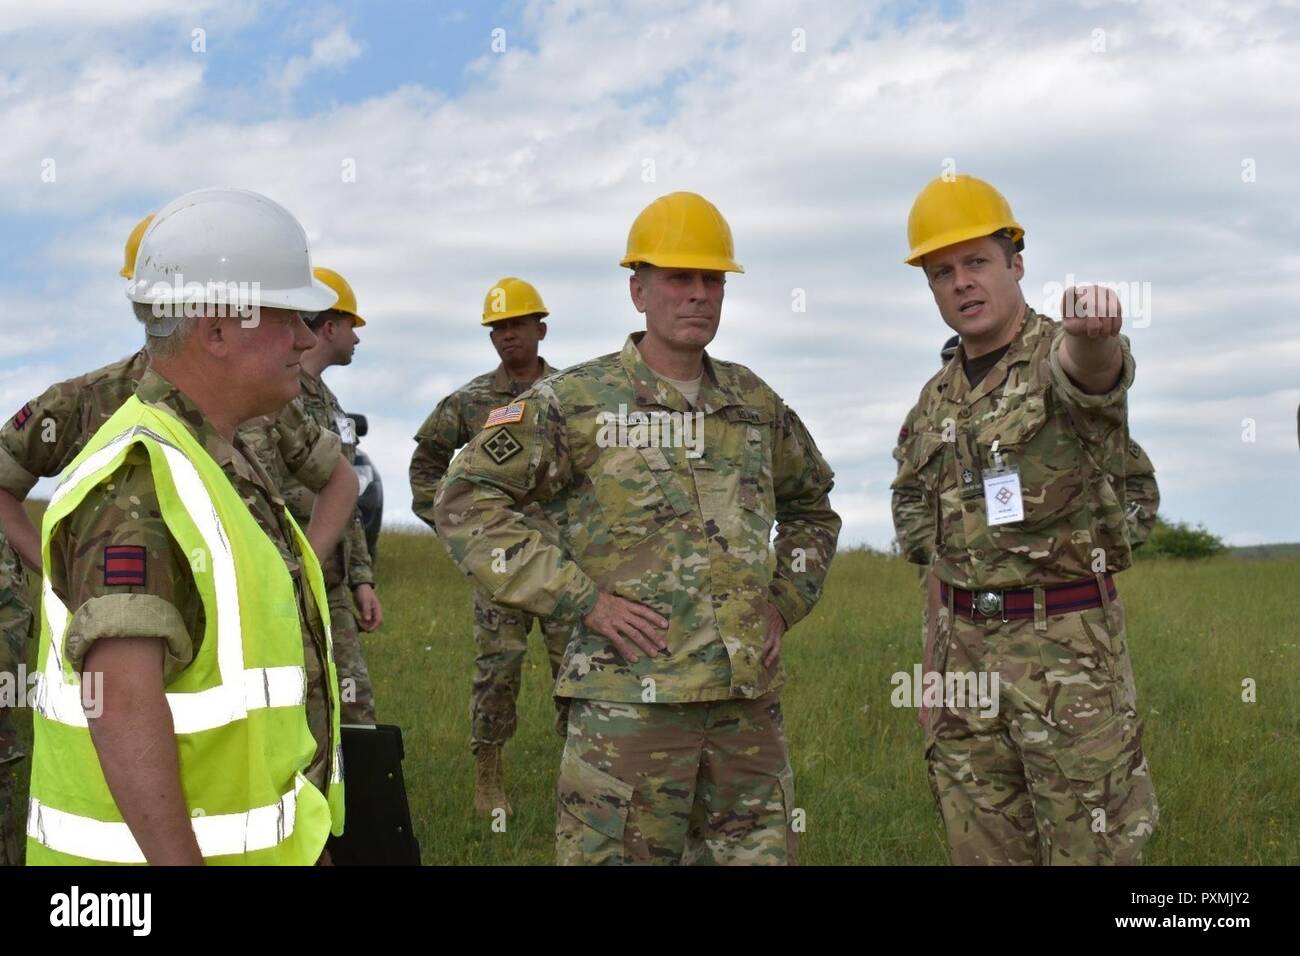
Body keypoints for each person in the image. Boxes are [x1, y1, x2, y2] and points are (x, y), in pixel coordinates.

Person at [434, 192, 841, 864]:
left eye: (711, 280)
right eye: (678, 279)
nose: (698, 296)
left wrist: (783, 603)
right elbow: (466, 500)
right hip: (626, 713)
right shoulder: (575, 403)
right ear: (638, 291)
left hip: (745, 712)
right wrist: (579, 599)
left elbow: (813, 507)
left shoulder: (755, 405)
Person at [25, 188, 350, 864]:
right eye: (285, 314)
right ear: (217, 329)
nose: (304, 337)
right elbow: (120, 705)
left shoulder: (217, 457)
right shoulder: (138, 483)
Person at [891, 173, 1158, 865]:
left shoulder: (1054, 355)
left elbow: (1094, 374)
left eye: (977, 261)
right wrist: (933, 673)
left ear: (1015, 263)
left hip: (1066, 664)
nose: (961, 283)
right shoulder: (934, 401)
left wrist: (1095, 333)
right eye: (941, 272)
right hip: (961, 668)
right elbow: (938, 552)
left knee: (1091, 852)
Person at [409, 276, 568, 815]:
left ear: (540, 328)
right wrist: (461, 533)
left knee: (577, 669)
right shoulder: (471, 400)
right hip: (499, 566)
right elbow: (427, 464)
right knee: (498, 669)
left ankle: (582, 777)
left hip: (566, 566)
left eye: (517, 325)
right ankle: (488, 777)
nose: (507, 337)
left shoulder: (570, 395)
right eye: (497, 328)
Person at [245, 267, 384, 725]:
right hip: (283, 581)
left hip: (332, 581)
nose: (357, 340)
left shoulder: (330, 403)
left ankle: (352, 797)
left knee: (353, 707)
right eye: (351, 327)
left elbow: (350, 501)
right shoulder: (269, 397)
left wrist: (361, 576)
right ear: (329, 327)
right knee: (296, 707)